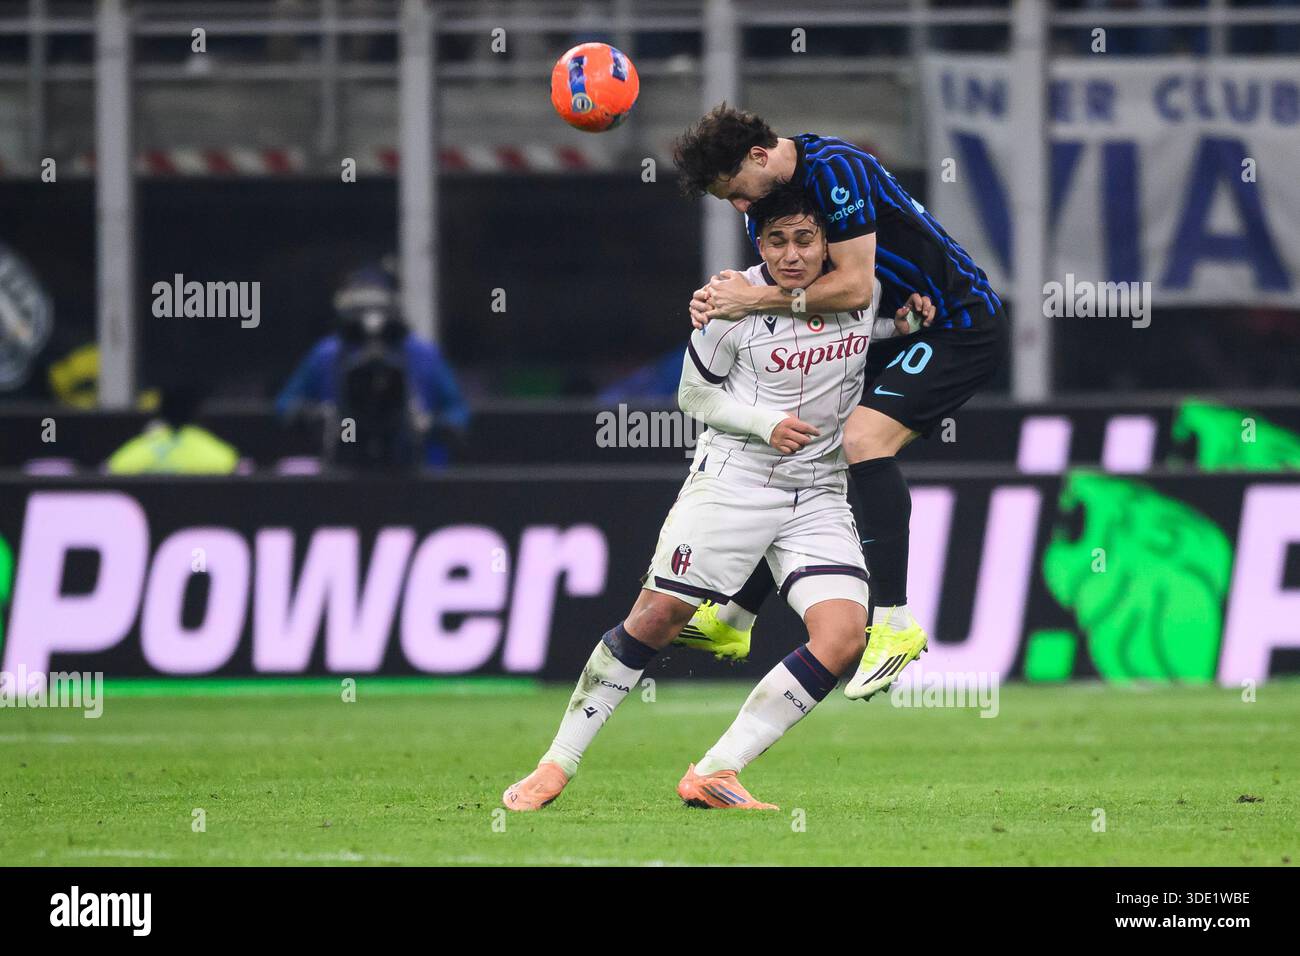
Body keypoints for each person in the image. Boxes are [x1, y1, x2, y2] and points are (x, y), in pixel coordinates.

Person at [503, 184, 883, 812]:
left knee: (842, 635)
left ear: (826, 242)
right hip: (734, 481)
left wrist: (920, 314)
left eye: (805, 239)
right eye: (778, 241)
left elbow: (890, 325)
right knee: (658, 617)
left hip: (818, 492)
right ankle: (556, 763)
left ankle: (716, 771)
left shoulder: (859, 290)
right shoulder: (729, 303)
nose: (792, 254)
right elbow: (694, 398)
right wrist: (765, 424)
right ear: (759, 244)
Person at [672, 104, 1007, 700]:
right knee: (808, 445)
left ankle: (896, 622)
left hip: (957, 324)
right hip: (899, 326)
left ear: (758, 157)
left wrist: (745, 301)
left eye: (736, 192)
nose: (740, 208)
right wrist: (714, 300)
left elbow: (849, 287)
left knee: (862, 441)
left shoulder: (836, 167)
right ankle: (735, 617)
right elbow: (795, 293)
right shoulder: (765, 209)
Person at [276, 266, 469, 469]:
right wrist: (313, 415)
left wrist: (434, 426)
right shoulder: (326, 354)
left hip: (416, 470)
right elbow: (286, 403)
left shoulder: (423, 354)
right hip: (344, 465)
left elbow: (457, 410)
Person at [105, 385, 239, 475]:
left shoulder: (146, 445)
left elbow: (109, 470)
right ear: (196, 411)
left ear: (160, 410)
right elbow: (238, 469)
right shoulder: (217, 452)